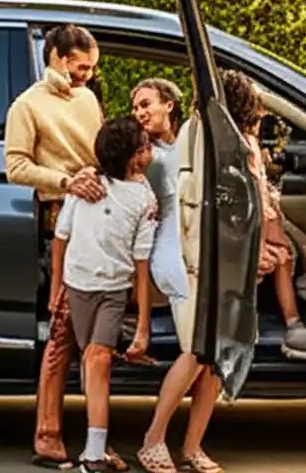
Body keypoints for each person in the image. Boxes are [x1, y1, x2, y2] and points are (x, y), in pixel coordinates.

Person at [3, 24, 125, 471]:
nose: (88, 77)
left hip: (102, 220)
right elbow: (15, 166)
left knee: (97, 340)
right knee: (62, 329)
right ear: (56, 59)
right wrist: (66, 182)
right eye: (80, 69)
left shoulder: (89, 99)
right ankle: (48, 434)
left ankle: (94, 440)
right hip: (62, 222)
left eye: (92, 70)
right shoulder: (27, 106)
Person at [131, 78, 226, 473]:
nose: (139, 111)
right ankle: (153, 440)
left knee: (214, 355)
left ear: (169, 104)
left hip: (199, 245)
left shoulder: (192, 139)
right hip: (170, 247)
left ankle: (192, 447)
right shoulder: (143, 152)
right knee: (196, 347)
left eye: (146, 103)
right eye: (135, 106)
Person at [53, 116, 157, 473]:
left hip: (114, 289)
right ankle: (99, 444)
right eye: (144, 147)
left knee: (98, 359)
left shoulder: (144, 198)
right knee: (91, 364)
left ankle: (93, 456)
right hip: (79, 284)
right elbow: (61, 238)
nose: (150, 151)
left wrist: (142, 325)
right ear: (130, 156)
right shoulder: (87, 184)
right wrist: (57, 289)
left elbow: (141, 265)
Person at [221, 69, 306, 360]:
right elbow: (253, 200)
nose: (263, 114)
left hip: (248, 223)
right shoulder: (239, 146)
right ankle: (293, 321)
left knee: (286, 251)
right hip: (246, 228)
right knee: (282, 255)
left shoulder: (237, 142)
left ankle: (295, 319)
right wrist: (267, 239)